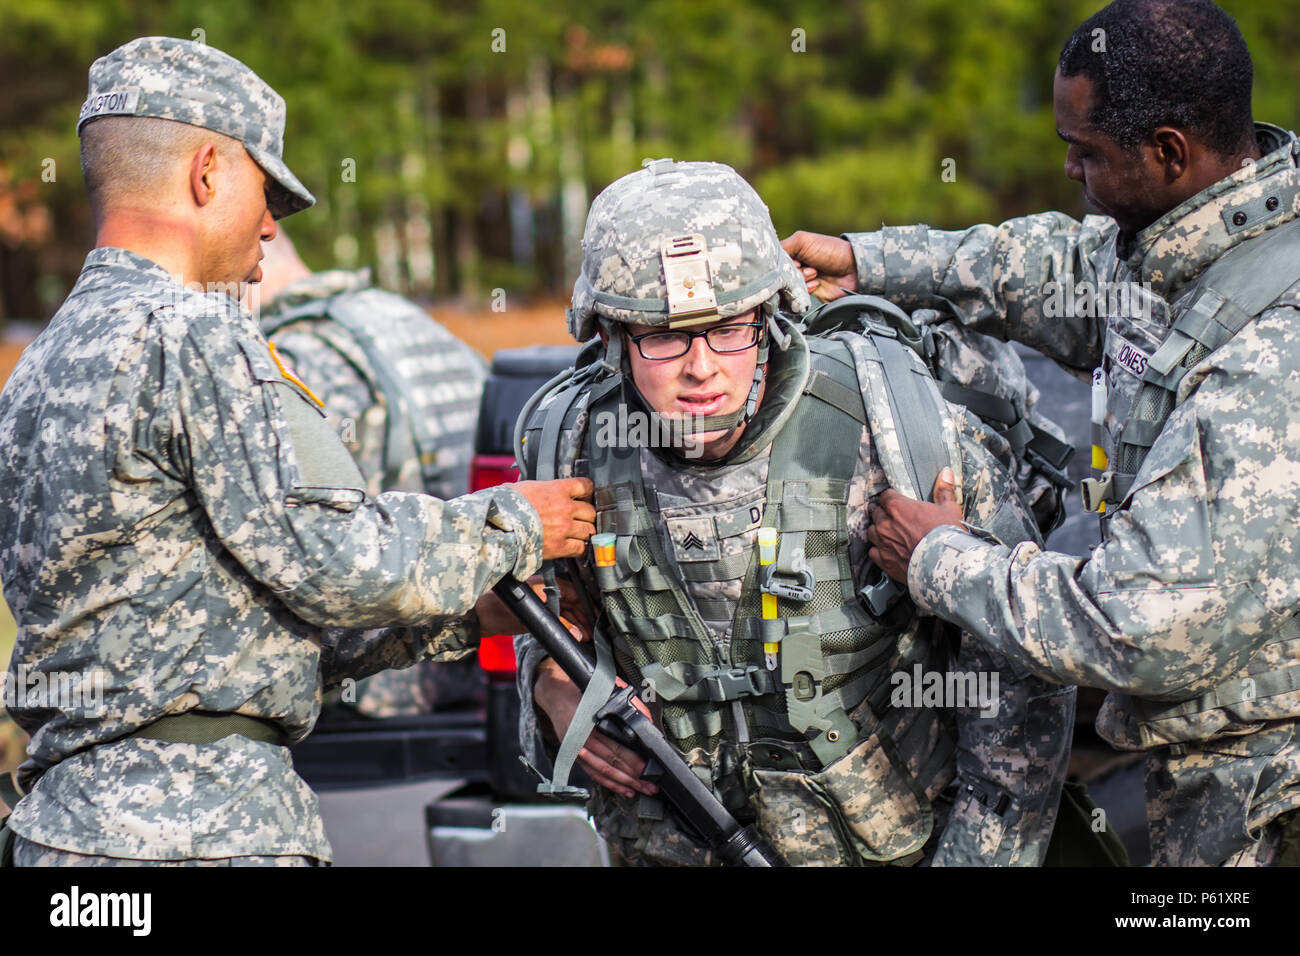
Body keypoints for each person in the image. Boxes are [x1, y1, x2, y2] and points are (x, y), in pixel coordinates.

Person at [0, 36, 594, 866]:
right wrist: (516, 524)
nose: (271, 226)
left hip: (66, 835)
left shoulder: (39, 367)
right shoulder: (197, 333)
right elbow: (336, 562)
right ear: (208, 171)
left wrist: (464, 615)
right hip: (202, 833)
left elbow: (208, 628)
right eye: (266, 191)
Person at [785, 0, 1300, 866]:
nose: (1068, 168)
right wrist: (870, 260)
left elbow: (1138, 627)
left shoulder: (1267, 358)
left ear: (1169, 151)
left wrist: (938, 558)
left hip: (1269, 795)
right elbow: (1051, 269)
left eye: (1086, 152)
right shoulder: (1192, 247)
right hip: (1219, 781)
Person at [514, 158, 1075, 866]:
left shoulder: (893, 429)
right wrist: (551, 688)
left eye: (729, 327)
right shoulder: (571, 446)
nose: (701, 367)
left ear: (771, 315)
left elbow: (1020, 683)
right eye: (663, 336)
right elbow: (547, 618)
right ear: (610, 339)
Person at [256, 230, 487, 717]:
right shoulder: (403, 318)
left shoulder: (296, 357)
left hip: (380, 694)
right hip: (471, 672)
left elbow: (301, 553)